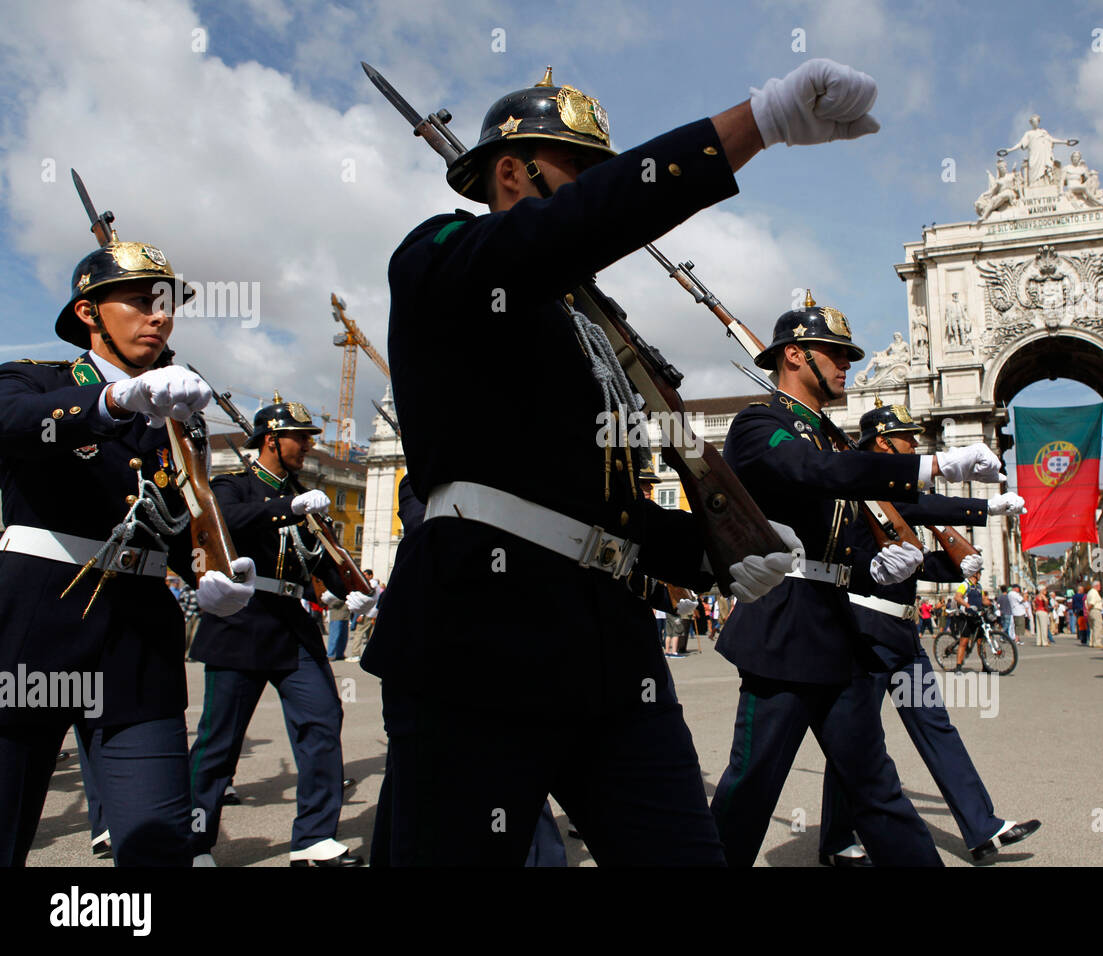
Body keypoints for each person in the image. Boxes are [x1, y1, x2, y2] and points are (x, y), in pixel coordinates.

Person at [362, 59, 878, 866]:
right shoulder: (441, 256)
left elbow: (600, 502)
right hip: (481, 630)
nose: (599, 190)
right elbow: (573, 227)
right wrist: (756, 123)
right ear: (509, 170)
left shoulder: (586, 323)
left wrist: (710, 551)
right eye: (579, 170)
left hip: (612, 642)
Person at [709, 296, 1006, 867]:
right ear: (794, 355)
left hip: (838, 628)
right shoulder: (759, 425)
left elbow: (846, 530)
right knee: (750, 787)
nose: (847, 365)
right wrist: (934, 465)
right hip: (784, 626)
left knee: (877, 789)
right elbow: (815, 473)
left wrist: (876, 566)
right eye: (835, 354)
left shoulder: (826, 436)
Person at [0, 234, 254, 866]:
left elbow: (173, 520)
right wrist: (112, 400)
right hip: (35, 627)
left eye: (167, 304)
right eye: (141, 301)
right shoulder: (33, 380)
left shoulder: (180, 415)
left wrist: (208, 571)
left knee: (157, 846)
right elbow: (13, 423)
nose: (160, 315)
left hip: (138, 641)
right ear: (89, 313)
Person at [817, 401, 1038, 866]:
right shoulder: (864, 488)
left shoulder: (889, 494)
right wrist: (984, 507)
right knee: (858, 737)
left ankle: (982, 827)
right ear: (882, 443)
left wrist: (957, 567)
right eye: (907, 439)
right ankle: (837, 838)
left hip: (899, 632)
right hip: (863, 630)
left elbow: (912, 564)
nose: (915, 445)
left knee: (935, 726)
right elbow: (922, 505)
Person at [188, 396, 375, 866]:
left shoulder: (305, 498)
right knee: (220, 740)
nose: (309, 447)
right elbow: (221, 521)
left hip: (293, 624)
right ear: (271, 438)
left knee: (321, 721)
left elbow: (321, 558)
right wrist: (288, 505)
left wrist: (350, 590)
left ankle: (313, 836)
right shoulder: (235, 487)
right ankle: (192, 842)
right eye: (301, 438)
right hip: (243, 621)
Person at [1086, 579, 1103, 649]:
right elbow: (1092, 603)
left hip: (1091, 611)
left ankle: (1091, 641)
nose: (1100, 587)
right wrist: (1088, 609)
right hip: (1095, 610)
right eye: (1099, 585)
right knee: (1097, 627)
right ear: (1096, 586)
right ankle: (1097, 642)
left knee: (1092, 627)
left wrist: (1087, 610)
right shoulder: (1094, 592)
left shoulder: (1089, 592)